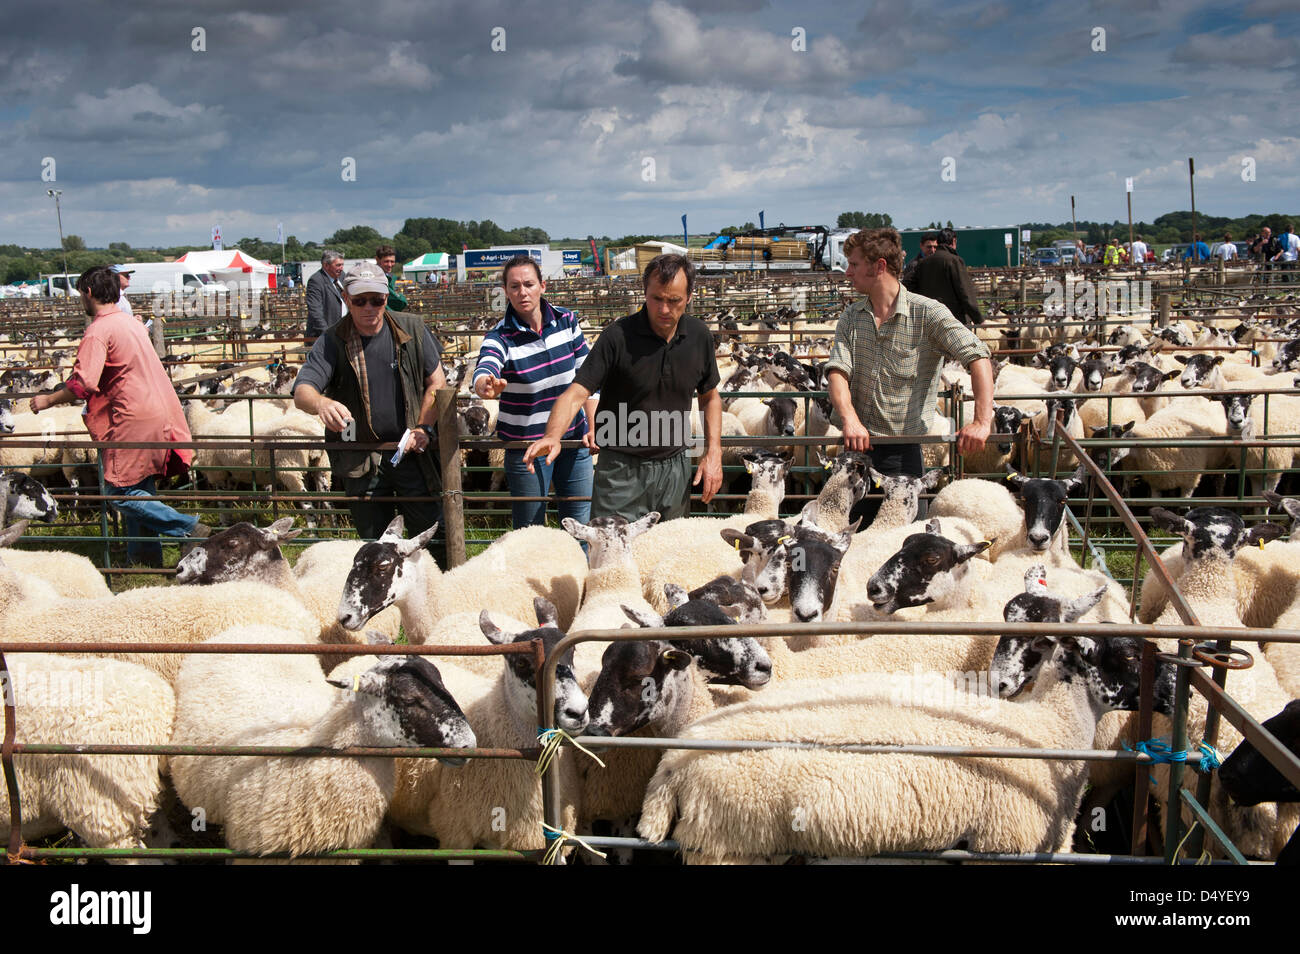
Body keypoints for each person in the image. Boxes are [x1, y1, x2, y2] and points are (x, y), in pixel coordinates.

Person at [523, 253, 721, 523]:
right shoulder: (617, 337)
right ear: (644, 293)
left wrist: (714, 451)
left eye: (673, 300)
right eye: (656, 299)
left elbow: (709, 397)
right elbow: (576, 393)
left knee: (669, 557)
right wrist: (552, 435)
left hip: (674, 468)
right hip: (621, 470)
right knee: (611, 555)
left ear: (689, 297)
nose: (664, 309)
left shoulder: (699, 336)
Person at [31, 265, 205, 567]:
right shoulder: (132, 323)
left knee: (120, 493)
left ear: (87, 293)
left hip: (130, 418)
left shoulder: (98, 330)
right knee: (140, 488)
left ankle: (189, 528)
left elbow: (83, 383)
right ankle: (144, 561)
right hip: (157, 410)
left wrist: (49, 399)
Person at [825, 228, 993, 523]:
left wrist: (981, 421)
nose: (847, 273)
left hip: (903, 454)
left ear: (878, 266)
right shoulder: (851, 317)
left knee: (906, 544)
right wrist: (850, 419)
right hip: (855, 449)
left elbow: (977, 356)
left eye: (853, 264)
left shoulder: (928, 313)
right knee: (848, 541)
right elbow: (838, 371)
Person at [291, 261, 446, 556]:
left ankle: (434, 592)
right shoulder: (332, 340)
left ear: (386, 298)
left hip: (412, 451)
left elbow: (437, 381)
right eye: (360, 300)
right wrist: (321, 402)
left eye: (377, 300)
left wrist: (424, 426)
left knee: (430, 535)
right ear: (346, 299)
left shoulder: (411, 328)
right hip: (363, 459)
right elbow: (302, 391)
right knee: (376, 544)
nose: (369, 308)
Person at [473, 255, 597, 529]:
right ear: (505, 291)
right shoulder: (500, 336)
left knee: (580, 526)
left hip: (574, 441)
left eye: (528, 284)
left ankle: (577, 571)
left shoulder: (567, 320)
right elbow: (486, 365)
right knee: (531, 529)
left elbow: (587, 376)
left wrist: (593, 424)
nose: (522, 292)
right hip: (527, 447)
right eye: (514, 286)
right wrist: (486, 383)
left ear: (542, 285)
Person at [903, 227, 983, 326]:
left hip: (929, 319)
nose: (932, 250)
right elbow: (964, 291)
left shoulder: (922, 263)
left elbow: (906, 285)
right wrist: (978, 318)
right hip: (953, 319)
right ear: (954, 241)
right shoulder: (954, 261)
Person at [305, 249, 346, 340]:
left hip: (343, 332)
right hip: (324, 336)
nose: (341, 268)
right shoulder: (316, 281)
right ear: (326, 265)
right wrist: (328, 334)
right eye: (338, 265)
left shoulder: (342, 276)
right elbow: (315, 311)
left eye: (342, 265)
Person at [375, 244, 408, 312]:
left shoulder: (391, 277)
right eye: (386, 261)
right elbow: (400, 302)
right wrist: (401, 297)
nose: (390, 265)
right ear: (377, 260)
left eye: (392, 261)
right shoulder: (376, 278)